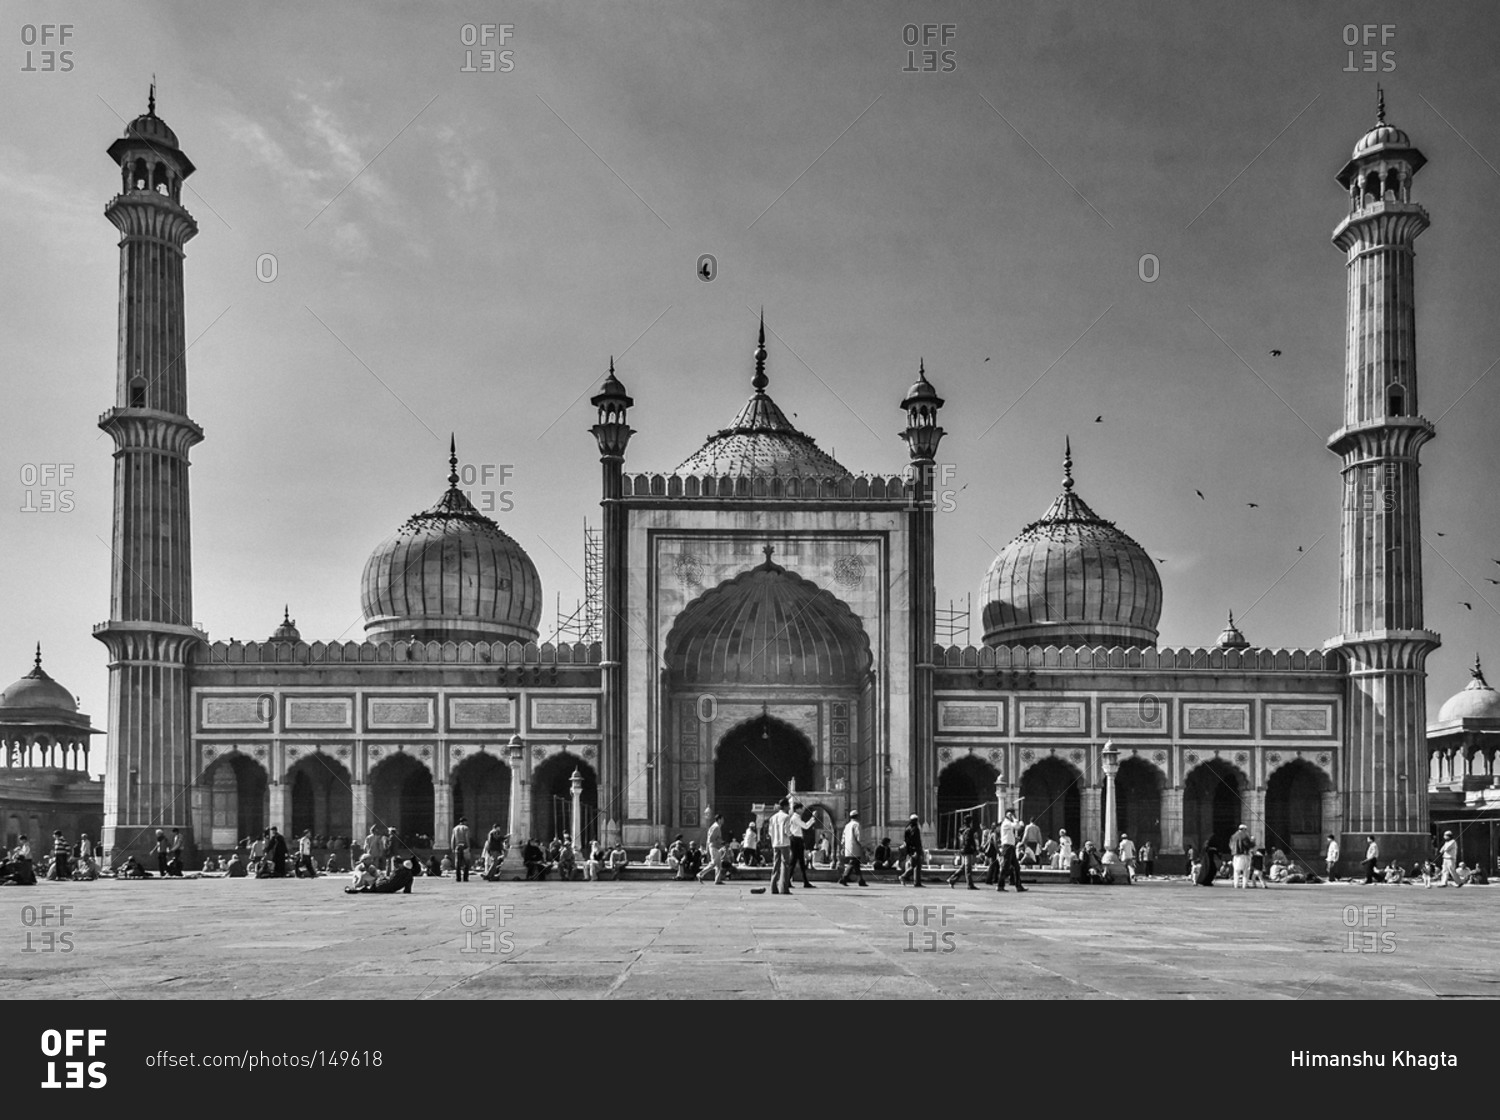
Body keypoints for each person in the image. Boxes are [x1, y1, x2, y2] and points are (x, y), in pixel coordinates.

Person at [768, 799, 794, 895]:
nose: (790, 807)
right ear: (785, 806)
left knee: (776, 865)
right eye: (789, 806)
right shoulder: (786, 817)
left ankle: (773, 887)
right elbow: (787, 831)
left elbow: (770, 832)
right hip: (784, 843)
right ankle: (784, 888)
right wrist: (792, 836)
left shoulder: (773, 817)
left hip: (775, 843)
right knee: (785, 866)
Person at [997, 808, 1026, 893]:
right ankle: (1000, 885)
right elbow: (1017, 827)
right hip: (1007, 847)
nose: (1013, 815)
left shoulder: (1008, 823)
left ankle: (1018, 885)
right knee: (1006, 867)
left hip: (1011, 847)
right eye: (1012, 814)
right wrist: (1015, 819)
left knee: (1017, 867)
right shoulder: (1006, 823)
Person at [788, 802, 816, 888]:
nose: (802, 810)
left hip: (797, 840)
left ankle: (804, 881)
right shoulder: (795, 818)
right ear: (796, 809)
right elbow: (805, 826)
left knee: (799, 860)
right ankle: (789, 880)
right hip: (796, 840)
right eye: (800, 808)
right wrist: (812, 818)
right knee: (795, 861)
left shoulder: (796, 817)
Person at [838, 809, 868, 886]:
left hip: (848, 847)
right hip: (855, 847)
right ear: (857, 816)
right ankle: (843, 878)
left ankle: (861, 881)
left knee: (856, 865)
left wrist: (843, 846)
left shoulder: (847, 825)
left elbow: (843, 837)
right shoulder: (856, 825)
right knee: (852, 863)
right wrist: (864, 846)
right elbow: (859, 837)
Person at [948, 814, 979, 889]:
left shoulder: (962, 830)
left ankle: (952, 879)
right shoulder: (969, 830)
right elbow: (969, 841)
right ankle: (970, 884)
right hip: (968, 850)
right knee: (968, 868)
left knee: (963, 867)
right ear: (970, 822)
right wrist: (974, 849)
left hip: (963, 850)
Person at [699, 813, 726, 884]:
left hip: (714, 846)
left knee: (719, 864)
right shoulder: (716, 827)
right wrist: (722, 843)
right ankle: (700, 874)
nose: (723, 820)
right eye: (722, 819)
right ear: (719, 819)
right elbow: (711, 838)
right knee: (714, 863)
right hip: (714, 847)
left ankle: (717, 880)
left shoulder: (715, 826)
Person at [899, 813, 926, 887]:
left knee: (915, 865)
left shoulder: (907, 828)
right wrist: (918, 850)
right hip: (915, 849)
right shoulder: (915, 829)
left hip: (910, 849)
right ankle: (903, 877)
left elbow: (906, 840)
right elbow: (917, 841)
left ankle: (917, 882)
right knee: (916, 865)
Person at [1229, 823, 1253, 889]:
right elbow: (1248, 845)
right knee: (1246, 870)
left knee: (1236, 871)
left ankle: (1235, 885)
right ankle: (1244, 885)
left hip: (1235, 855)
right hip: (1244, 855)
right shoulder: (1245, 835)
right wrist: (1253, 841)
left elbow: (1230, 845)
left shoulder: (1233, 836)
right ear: (1244, 829)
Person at [450, 816, 471, 882]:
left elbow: (453, 839)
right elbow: (467, 837)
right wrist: (469, 846)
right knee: (466, 863)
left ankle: (458, 878)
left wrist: (452, 848)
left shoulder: (455, 828)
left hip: (457, 846)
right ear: (464, 822)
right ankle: (465, 877)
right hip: (464, 846)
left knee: (457, 863)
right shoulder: (466, 828)